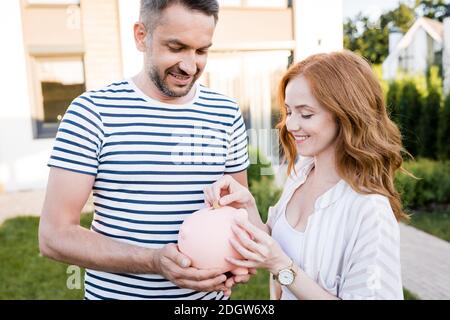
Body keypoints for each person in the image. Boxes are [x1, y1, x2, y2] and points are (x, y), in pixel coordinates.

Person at [39, 0, 252, 300]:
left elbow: (236, 213)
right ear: (141, 35)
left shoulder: (226, 113)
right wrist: (152, 261)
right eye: (176, 48)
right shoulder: (92, 112)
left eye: (202, 50)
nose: (190, 66)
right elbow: (54, 236)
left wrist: (238, 258)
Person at [204, 50, 408, 300]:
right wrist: (246, 205)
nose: (290, 125)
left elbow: (279, 260)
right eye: (289, 111)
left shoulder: (369, 209)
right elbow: (276, 245)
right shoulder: (302, 173)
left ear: (346, 115)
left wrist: (281, 267)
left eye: (306, 114)